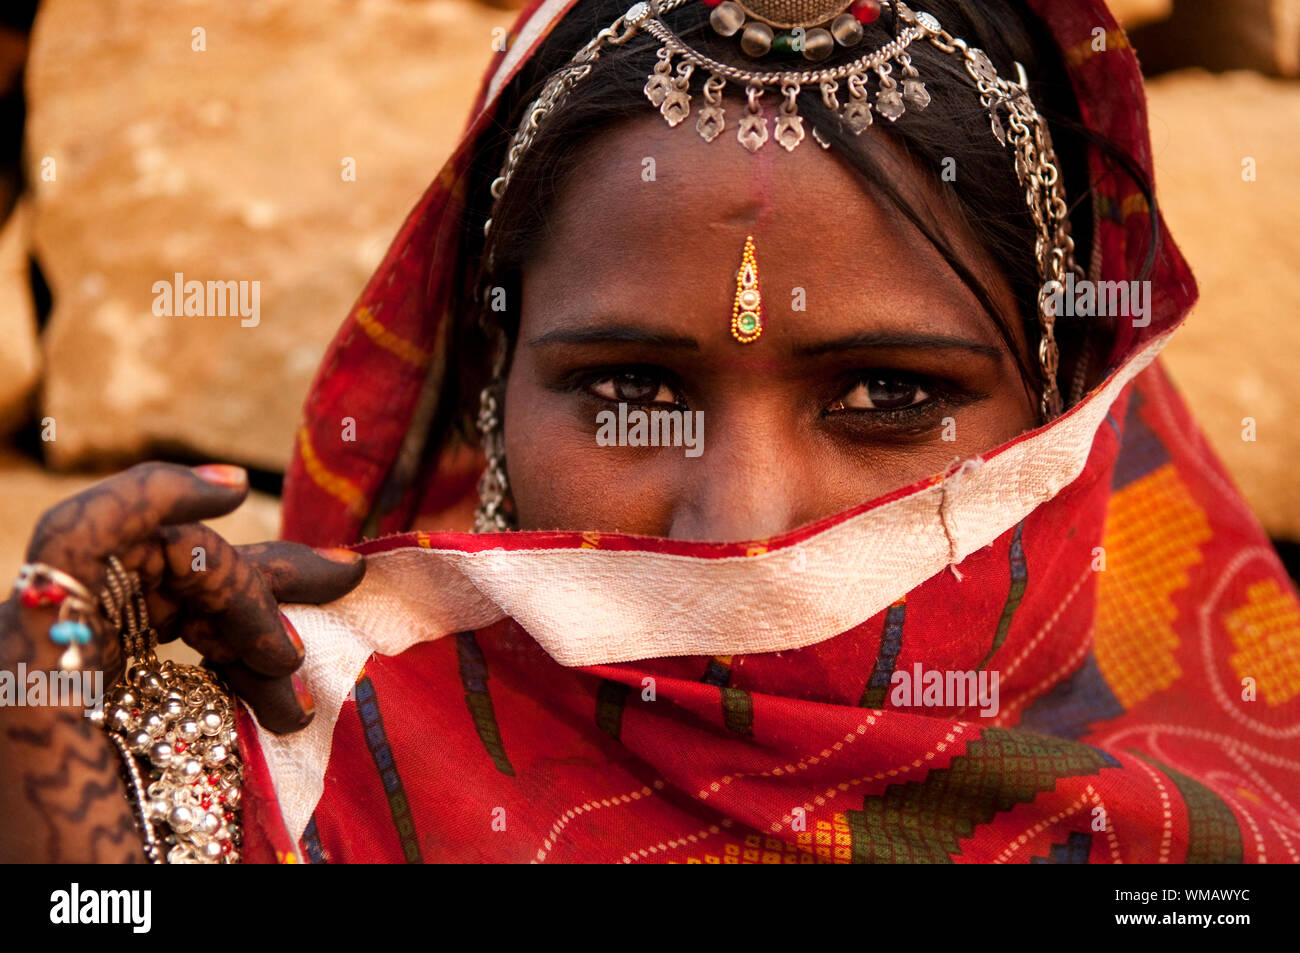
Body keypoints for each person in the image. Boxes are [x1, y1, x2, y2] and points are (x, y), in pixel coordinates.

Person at [2, 0, 1297, 864]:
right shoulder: (267, 805)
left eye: (889, 395)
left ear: (1062, 425)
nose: (738, 521)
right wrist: (50, 749)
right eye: (633, 389)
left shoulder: (1214, 841)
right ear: (488, 398)